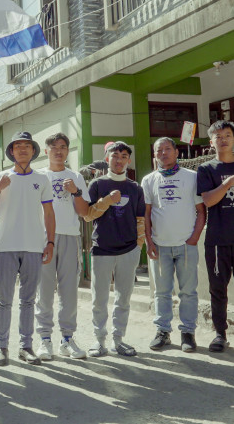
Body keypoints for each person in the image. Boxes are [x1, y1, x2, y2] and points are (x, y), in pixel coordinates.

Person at [0, 132, 55, 366]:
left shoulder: (42, 179)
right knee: (4, 300)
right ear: (11, 152)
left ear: (33, 151)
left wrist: (50, 242)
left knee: (28, 300)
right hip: (5, 247)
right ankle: (2, 348)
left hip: (33, 246)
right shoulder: (0, 177)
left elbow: (49, 214)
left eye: (27, 146)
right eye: (17, 146)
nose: (22, 149)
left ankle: (26, 346)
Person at [143, 137, 206, 353]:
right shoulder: (149, 180)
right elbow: (147, 214)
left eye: (167, 149)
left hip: (186, 244)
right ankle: (163, 332)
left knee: (188, 291)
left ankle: (188, 332)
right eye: (158, 150)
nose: (163, 153)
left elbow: (201, 211)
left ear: (176, 152)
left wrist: (194, 237)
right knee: (162, 292)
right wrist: (149, 241)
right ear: (154, 154)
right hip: (160, 245)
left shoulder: (192, 177)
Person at [83, 141, 145, 358]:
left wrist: (138, 246)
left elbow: (140, 219)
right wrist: (107, 201)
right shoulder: (97, 185)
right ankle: (99, 341)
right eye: (115, 155)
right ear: (107, 157)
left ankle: (119, 340)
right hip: (102, 249)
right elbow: (88, 215)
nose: (119, 160)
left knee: (123, 298)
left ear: (128, 160)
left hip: (129, 250)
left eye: (124, 156)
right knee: (99, 299)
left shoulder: (135, 187)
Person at [35, 133, 91, 360]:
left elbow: (84, 211)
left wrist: (75, 192)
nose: (59, 151)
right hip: (43, 238)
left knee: (69, 290)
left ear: (68, 151)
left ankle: (67, 339)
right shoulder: (38, 177)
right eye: (54, 147)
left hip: (69, 236)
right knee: (44, 290)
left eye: (63, 147)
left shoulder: (75, 176)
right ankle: (44, 339)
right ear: (46, 151)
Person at [197, 120, 234, 352]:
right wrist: (228, 183)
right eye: (218, 136)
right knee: (218, 289)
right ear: (211, 142)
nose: (223, 139)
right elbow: (208, 201)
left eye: (227, 135)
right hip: (219, 239)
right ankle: (220, 333)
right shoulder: (206, 169)